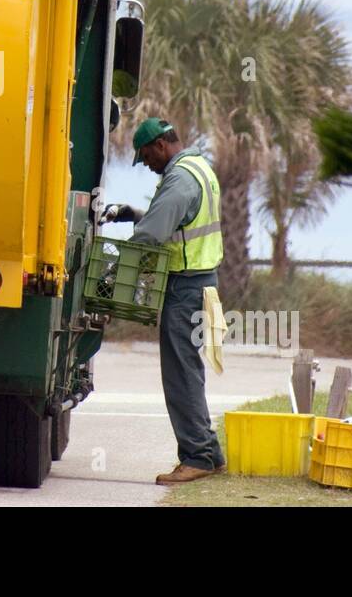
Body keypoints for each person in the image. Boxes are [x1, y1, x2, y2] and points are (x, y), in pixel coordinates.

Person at [101, 117, 226, 484]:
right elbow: (177, 224)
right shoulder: (199, 167)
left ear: (159, 146)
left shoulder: (179, 179)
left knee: (180, 375)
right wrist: (133, 214)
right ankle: (209, 453)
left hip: (185, 288)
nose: (148, 166)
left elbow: (151, 239)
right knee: (188, 371)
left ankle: (197, 457)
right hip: (200, 282)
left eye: (145, 158)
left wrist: (112, 281)